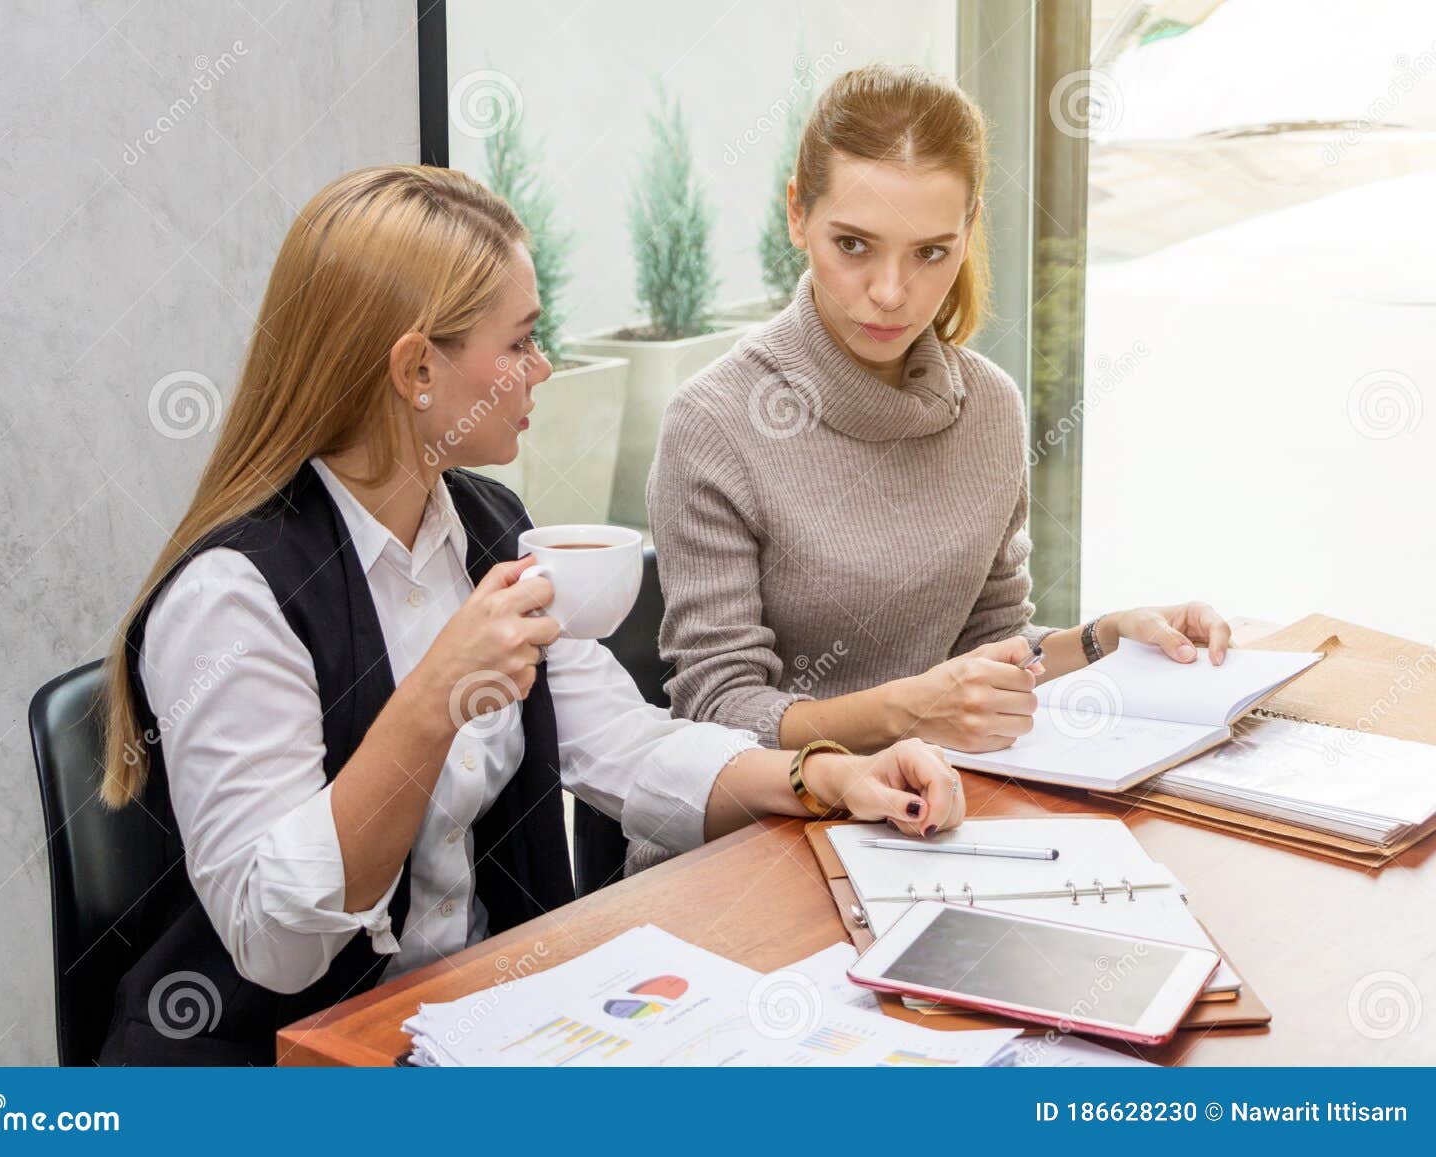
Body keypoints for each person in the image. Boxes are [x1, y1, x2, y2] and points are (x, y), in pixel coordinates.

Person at [95, 165, 965, 1065]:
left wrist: (824, 776)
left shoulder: (487, 528)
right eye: (521, 342)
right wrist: (435, 699)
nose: (541, 368)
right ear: (417, 369)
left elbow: (627, 747)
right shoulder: (232, 597)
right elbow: (277, 942)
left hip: (473, 1028)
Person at [648, 63, 1231, 756]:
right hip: (760, 834)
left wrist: (1109, 639)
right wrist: (909, 712)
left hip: (931, 813)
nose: (891, 292)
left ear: (969, 229)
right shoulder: (714, 424)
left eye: (930, 252)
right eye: (854, 244)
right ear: (797, 214)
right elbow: (719, 713)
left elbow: (993, 649)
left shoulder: (989, 408)